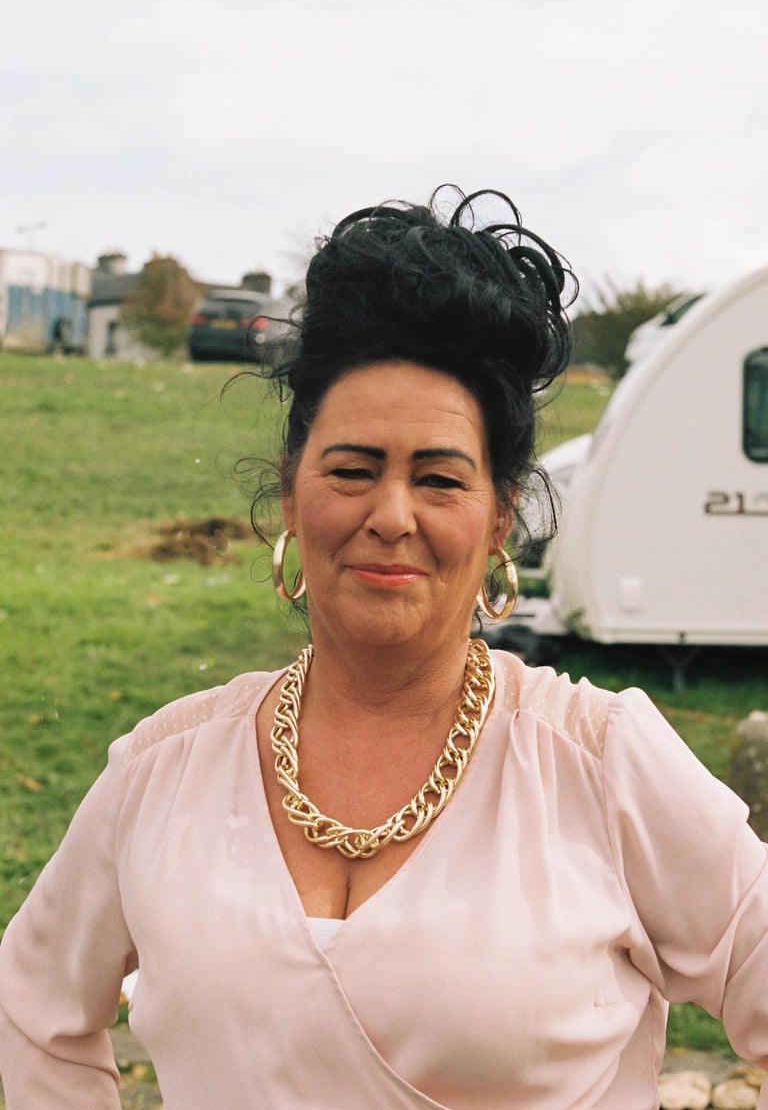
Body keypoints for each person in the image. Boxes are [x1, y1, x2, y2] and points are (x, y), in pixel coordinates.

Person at [1, 188, 767, 1110]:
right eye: (353, 471)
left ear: (499, 519)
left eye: (440, 478)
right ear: (291, 496)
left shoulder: (599, 762)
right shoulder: (163, 770)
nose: (391, 517)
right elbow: (31, 1013)